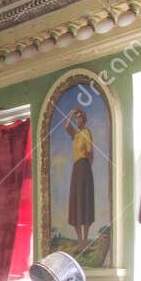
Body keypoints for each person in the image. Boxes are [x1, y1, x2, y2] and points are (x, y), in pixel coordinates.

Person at [64, 107, 95, 253]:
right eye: (77, 118)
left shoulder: (86, 132)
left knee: (85, 202)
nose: (78, 120)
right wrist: (72, 112)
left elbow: (90, 153)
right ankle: (80, 242)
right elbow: (66, 126)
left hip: (84, 167)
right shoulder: (75, 135)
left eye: (80, 117)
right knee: (76, 203)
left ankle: (85, 241)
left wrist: (87, 170)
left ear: (84, 119)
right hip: (76, 169)